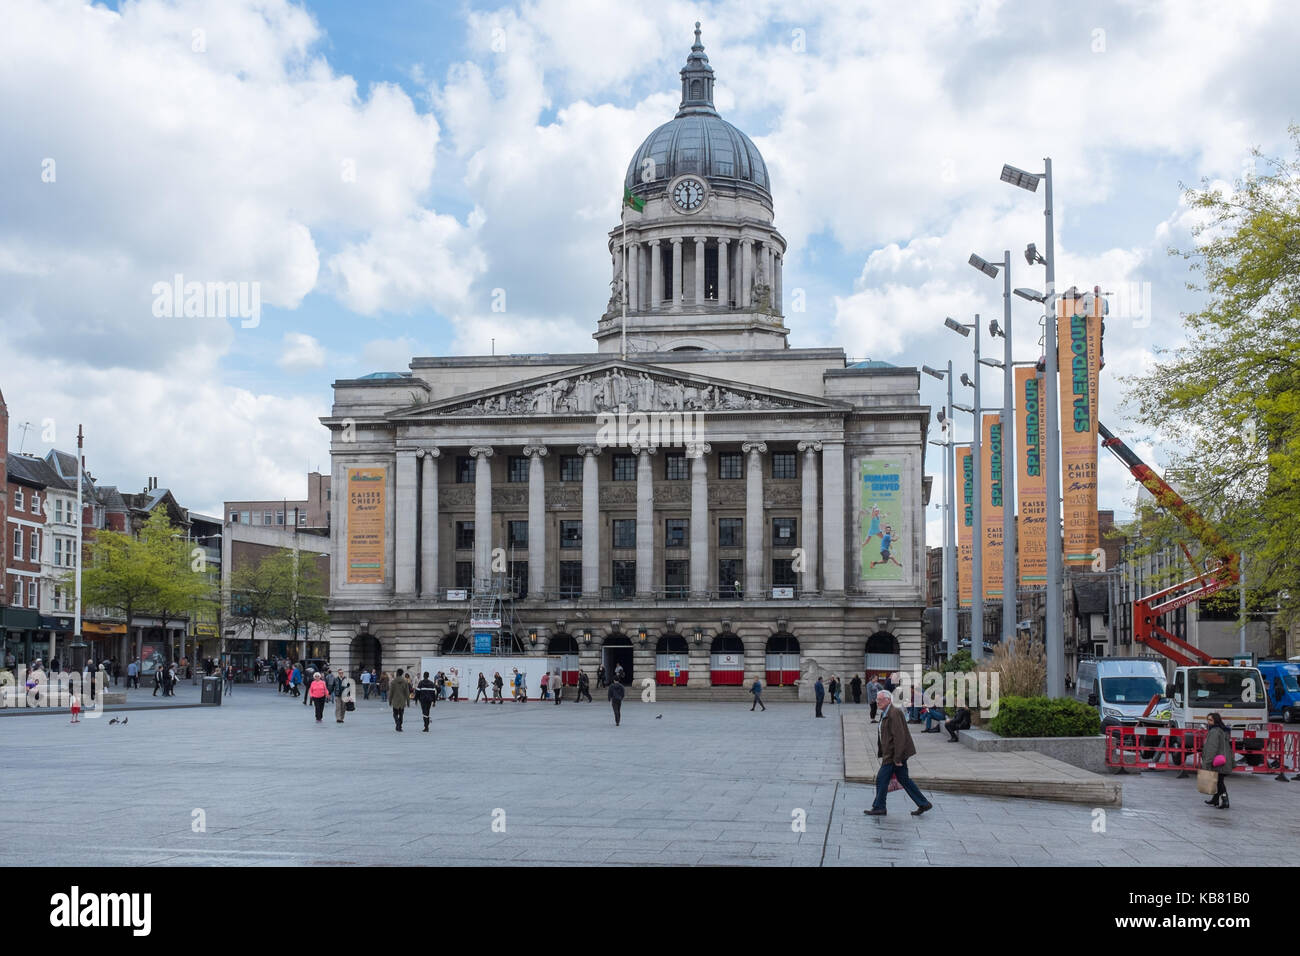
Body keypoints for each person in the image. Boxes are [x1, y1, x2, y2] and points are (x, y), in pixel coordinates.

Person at [864, 690, 933, 817]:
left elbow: (899, 736)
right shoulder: (886, 712)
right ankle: (923, 803)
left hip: (894, 755)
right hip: (892, 753)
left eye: (880, 699)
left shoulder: (894, 713)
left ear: (888, 700)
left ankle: (879, 807)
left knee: (881, 778)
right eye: (877, 699)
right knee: (904, 779)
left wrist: (897, 757)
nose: (877, 701)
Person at [1201, 712, 1235, 810]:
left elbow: (1212, 748)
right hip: (1224, 760)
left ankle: (1225, 801)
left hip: (1217, 761)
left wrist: (1207, 762)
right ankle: (1215, 799)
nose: (1208, 722)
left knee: (1219, 781)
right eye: (1207, 720)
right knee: (1218, 780)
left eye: (1210, 720)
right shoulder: (1222, 730)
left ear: (1216, 720)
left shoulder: (1215, 731)